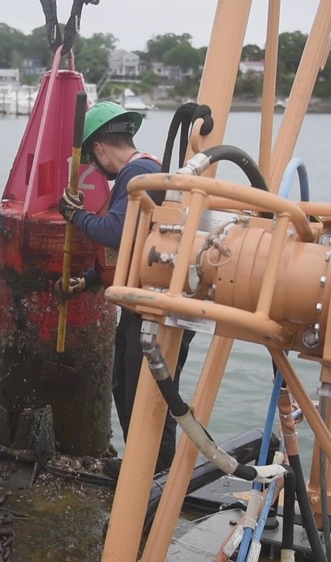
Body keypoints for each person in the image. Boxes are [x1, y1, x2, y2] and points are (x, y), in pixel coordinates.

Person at [57, 101, 194, 478]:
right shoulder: (144, 174)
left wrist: (75, 215)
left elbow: (115, 232)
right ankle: (139, 463)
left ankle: (155, 474)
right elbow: (130, 248)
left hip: (157, 310)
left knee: (148, 397)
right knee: (125, 384)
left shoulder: (139, 177)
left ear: (100, 148)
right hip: (142, 303)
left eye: (90, 157)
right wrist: (91, 278)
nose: (92, 167)